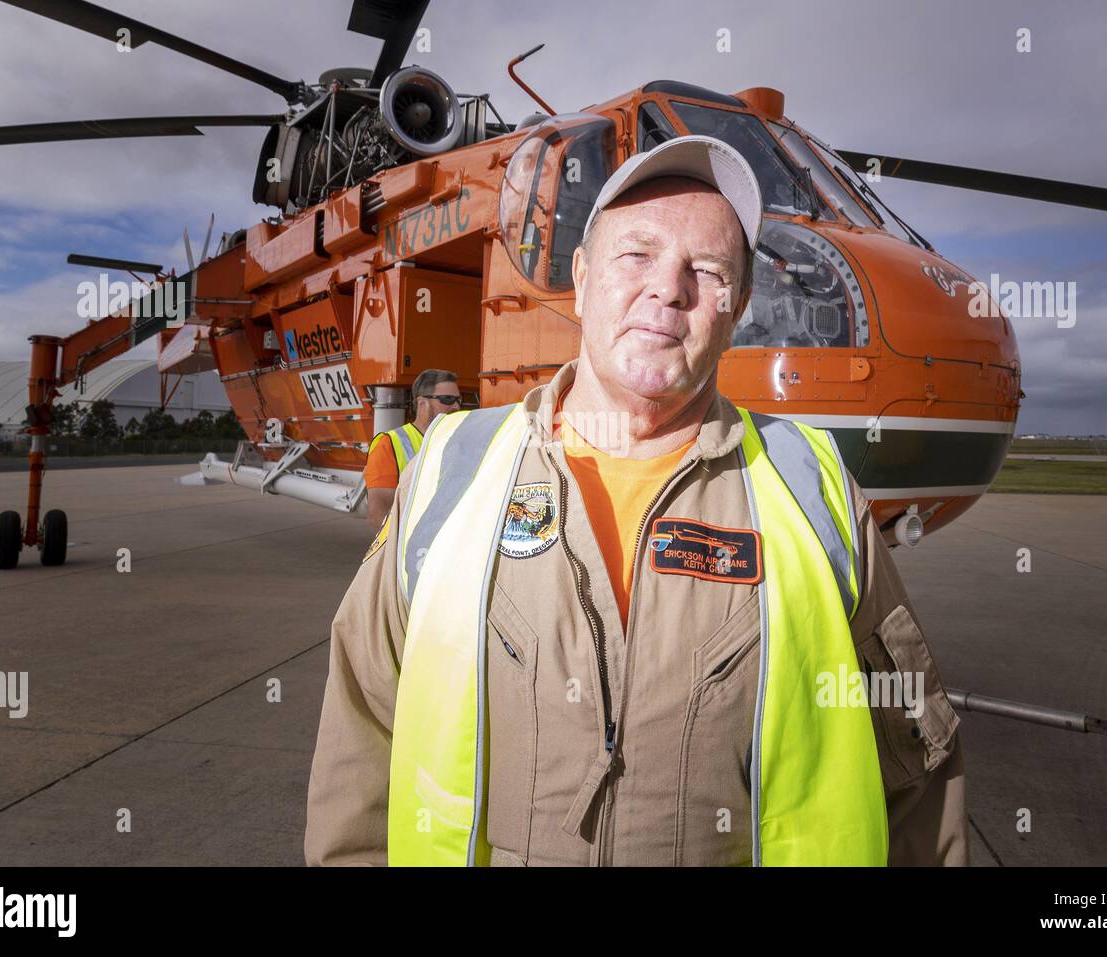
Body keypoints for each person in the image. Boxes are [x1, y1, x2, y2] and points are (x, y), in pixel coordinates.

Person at [306, 134, 968, 866]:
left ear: (736, 305)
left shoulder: (810, 488)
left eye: (707, 269)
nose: (669, 288)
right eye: (637, 254)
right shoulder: (453, 467)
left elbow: (916, 756)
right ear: (582, 278)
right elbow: (362, 730)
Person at [362, 369, 460, 529]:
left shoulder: (457, 441)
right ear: (422, 404)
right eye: (447, 399)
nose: (456, 406)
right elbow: (378, 512)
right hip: (413, 546)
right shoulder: (389, 444)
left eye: (458, 399)